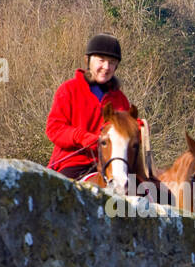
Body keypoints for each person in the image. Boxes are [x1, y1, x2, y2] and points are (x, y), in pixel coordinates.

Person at [45, 34, 132, 180]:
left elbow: (126, 133)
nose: (106, 67)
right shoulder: (69, 90)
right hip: (73, 162)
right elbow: (54, 128)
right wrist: (82, 137)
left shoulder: (121, 100)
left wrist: (137, 128)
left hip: (113, 164)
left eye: (112, 62)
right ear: (88, 60)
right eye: (101, 60)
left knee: (147, 190)